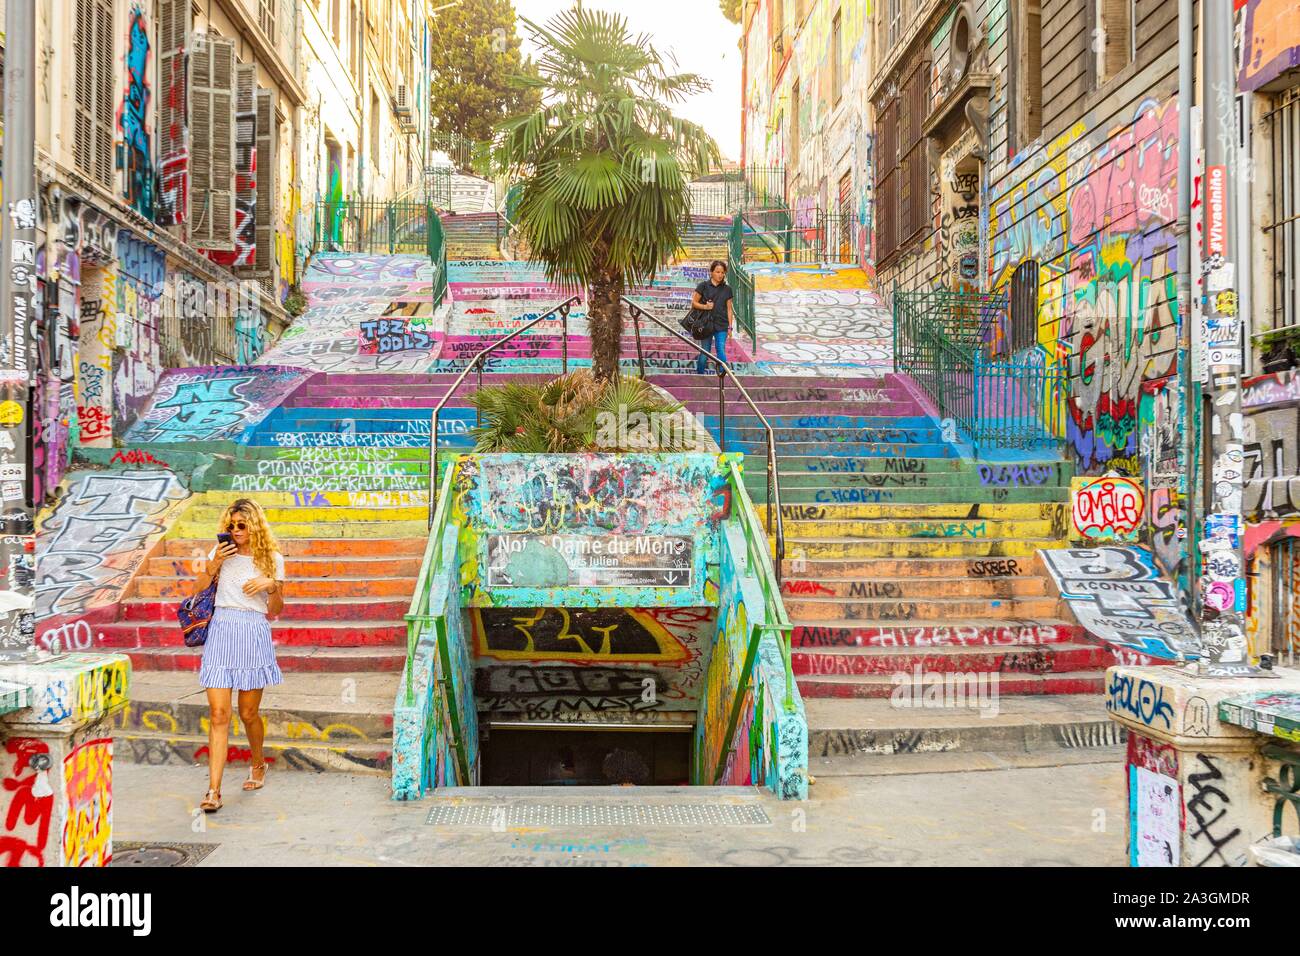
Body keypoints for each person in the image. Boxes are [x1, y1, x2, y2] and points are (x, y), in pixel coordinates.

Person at [191, 498, 285, 812]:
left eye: (241, 525)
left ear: (254, 525)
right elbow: (197, 589)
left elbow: (276, 610)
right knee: (219, 715)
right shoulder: (219, 553)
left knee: (248, 714)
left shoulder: (271, 559)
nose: (235, 531)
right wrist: (214, 564)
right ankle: (213, 790)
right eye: (231, 526)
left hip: (252, 632)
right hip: (221, 630)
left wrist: (272, 586)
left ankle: (258, 764)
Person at [692, 260, 734, 374]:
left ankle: (723, 375)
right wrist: (706, 307)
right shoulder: (703, 286)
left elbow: (729, 309)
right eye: (717, 272)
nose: (720, 275)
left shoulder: (727, 289)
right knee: (705, 352)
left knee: (721, 349)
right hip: (706, 324)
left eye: (722, 272)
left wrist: (730, 327)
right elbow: (694, 303)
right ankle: (699, 375)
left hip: (722, 325)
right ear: (711, 272)